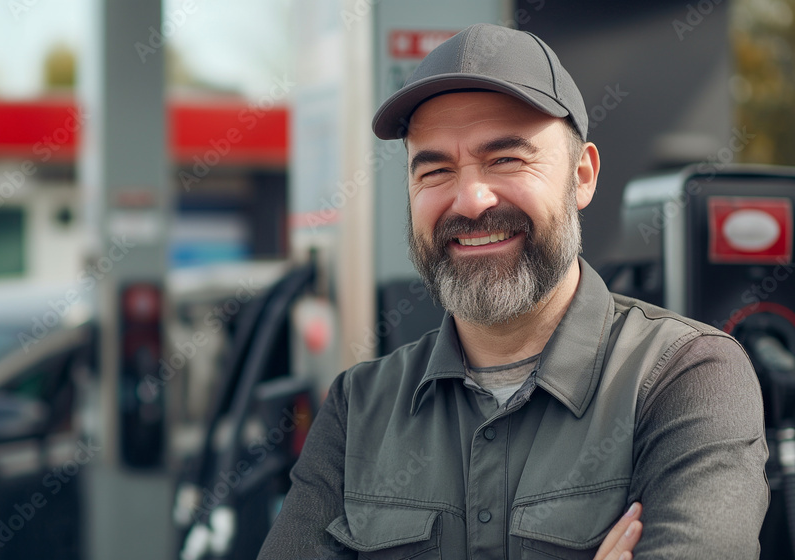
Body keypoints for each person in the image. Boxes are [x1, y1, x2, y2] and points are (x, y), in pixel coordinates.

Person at [257, 22, 769, 560]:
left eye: (506, 160)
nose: (471, 200)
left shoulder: (688, 378)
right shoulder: (356, 409)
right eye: (434, 171)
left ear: (583, 176)